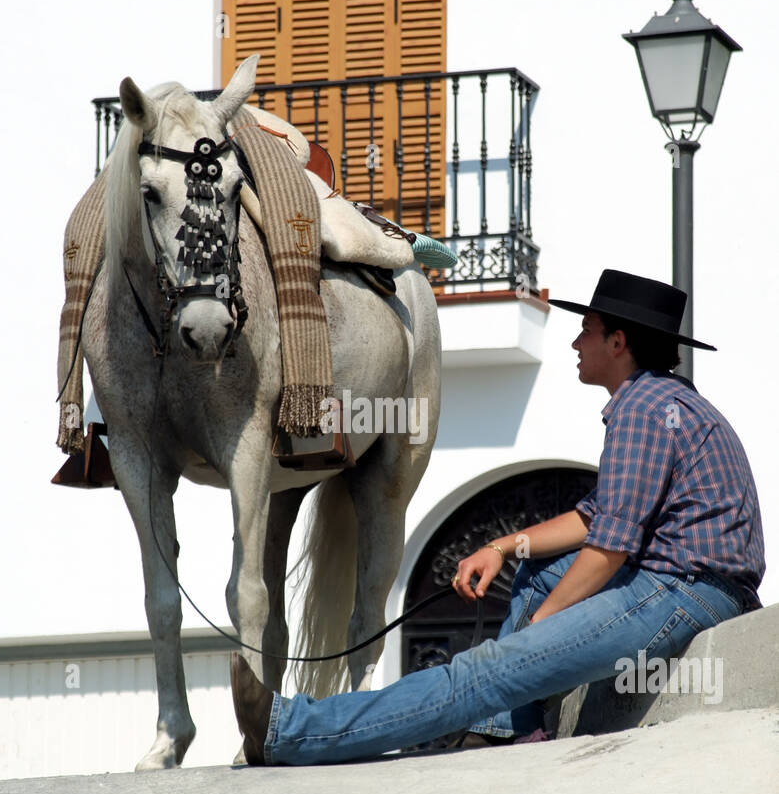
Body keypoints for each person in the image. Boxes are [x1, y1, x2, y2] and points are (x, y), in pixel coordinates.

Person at [233, 269, 765, 766]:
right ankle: (503, 731)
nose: (576, 344)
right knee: (536, 569)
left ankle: (291, 732)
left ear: (618, 343)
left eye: (587, 331)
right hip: (691, 584)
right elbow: (596, 517)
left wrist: (535, 631)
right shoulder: (667, 400)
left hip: (686, 590)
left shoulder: (641, 410)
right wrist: (501, 547)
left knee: (487, 669)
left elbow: (609, 550)